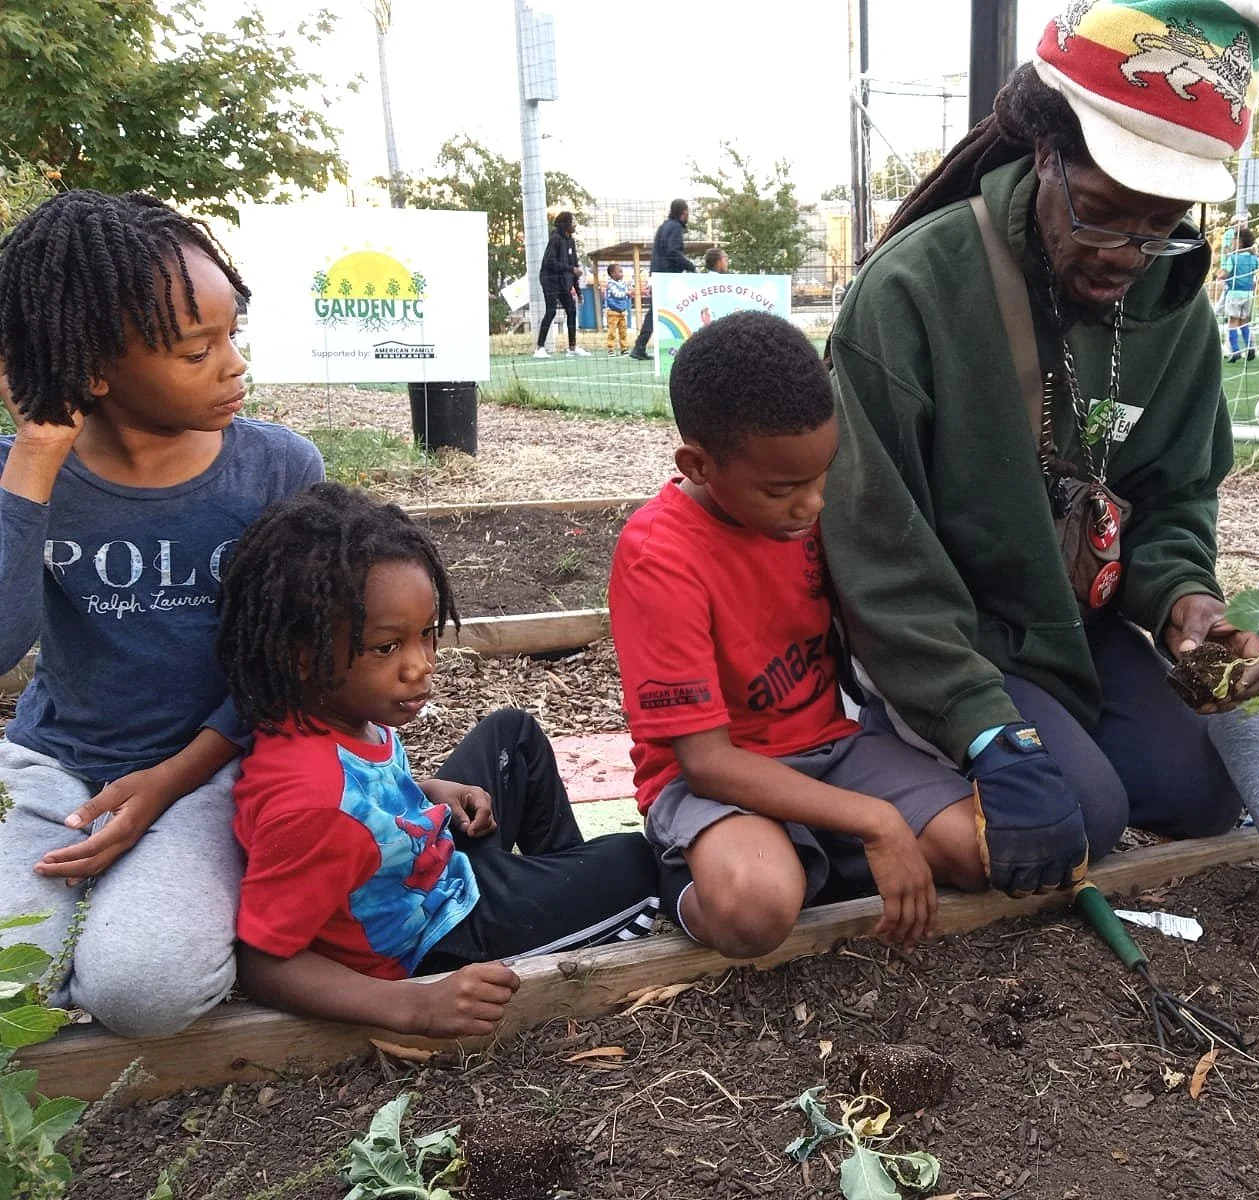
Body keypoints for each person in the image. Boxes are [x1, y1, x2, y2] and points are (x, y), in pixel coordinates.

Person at [822, 1, 1259, 896]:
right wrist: (976, 722)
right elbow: (876, 554)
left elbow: (1174, 496)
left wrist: (1185, 601)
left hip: (1071, 627)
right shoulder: (912, 290)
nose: (1128, 255)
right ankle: (880, 735)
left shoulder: (1174, 302)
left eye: (1161, 224)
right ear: (1046, 153)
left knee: (1204, 792)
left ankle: (1044, 735)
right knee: (1076, 820)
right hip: (940, 638)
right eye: (1103, 215)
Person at [0, 190, 325, 1036]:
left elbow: (293, 665)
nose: (234, 366)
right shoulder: (20, 477)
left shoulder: (277, 471)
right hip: (60, 773)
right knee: (6, 983)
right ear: (93, 370)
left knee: (142, 992)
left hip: (218, 767)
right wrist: (37, 454)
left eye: (233, 334)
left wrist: (169, 784)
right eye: (196, 350)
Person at [608, 312, 988, 960]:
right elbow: (707, 762)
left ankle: (810, 854)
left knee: (981, 851)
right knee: (754, 912)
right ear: (698, 465)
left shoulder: (802, 512)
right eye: (783, 488)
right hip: (714, 780)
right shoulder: (659, 555)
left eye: (823, 475)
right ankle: (682, 881)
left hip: (829, 747)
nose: (813, 505)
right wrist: (876, 819)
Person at [218, 483, 661, 1036]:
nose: (422, 664)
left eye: (426, 634)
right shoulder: (311, 803)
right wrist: (413, 1006)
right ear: (302, 656)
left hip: (433, 869)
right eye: (387, 647)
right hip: (432, 945)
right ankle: (572, 904)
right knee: (637, 862)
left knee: (512, 734)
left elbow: (367, 801)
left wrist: (429, 791)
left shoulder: (340, 715)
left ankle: (561, 886)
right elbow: (263, 962)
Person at [630, 199, 696, 361]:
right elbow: (673, 251)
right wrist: (689, 266)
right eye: (687, 212)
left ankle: (640, 346)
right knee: (674, 309)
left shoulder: (664, 226)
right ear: (684, 212)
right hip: (667, 277)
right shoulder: (675, 228)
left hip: (657, 273)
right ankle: (675, 345)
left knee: (655, 311)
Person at [534, 211, 586, 359]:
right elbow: (550, 262)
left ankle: (572, 348)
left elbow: (574, 267)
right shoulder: (555, 238)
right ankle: (539, 348)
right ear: (566, 224)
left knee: (571, 310)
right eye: (572, 222)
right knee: (551, 311)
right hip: (550, 280)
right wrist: (571, 269)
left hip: (563, 282)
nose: (574, 225)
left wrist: (578, 291)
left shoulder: (571, 241)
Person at [1217, 226, 1259, 363]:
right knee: (1244, 322)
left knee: (1233, 322)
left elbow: (1224, 274)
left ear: (1240, 241)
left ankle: (1235, 351)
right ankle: (1250, 347)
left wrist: (1219, 274)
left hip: (1234, 293)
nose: (1232, 241)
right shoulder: (1253, 258)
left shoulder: (1233, 258)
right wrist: (1257, 282)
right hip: (1248, 294)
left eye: (1234, 239)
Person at [603, 263, 632, 355]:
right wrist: (626, 294)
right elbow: (616, 294)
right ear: (612, 274)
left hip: (622, 311)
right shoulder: (611, 284)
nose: (621, 273)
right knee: (612, 332)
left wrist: (628, 295)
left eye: (621, 271)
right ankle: (610, 348)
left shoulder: (623, 283)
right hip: (613, 312)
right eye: (619, 271)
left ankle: (624, 348)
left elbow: (625, 294)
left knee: (623, 331)